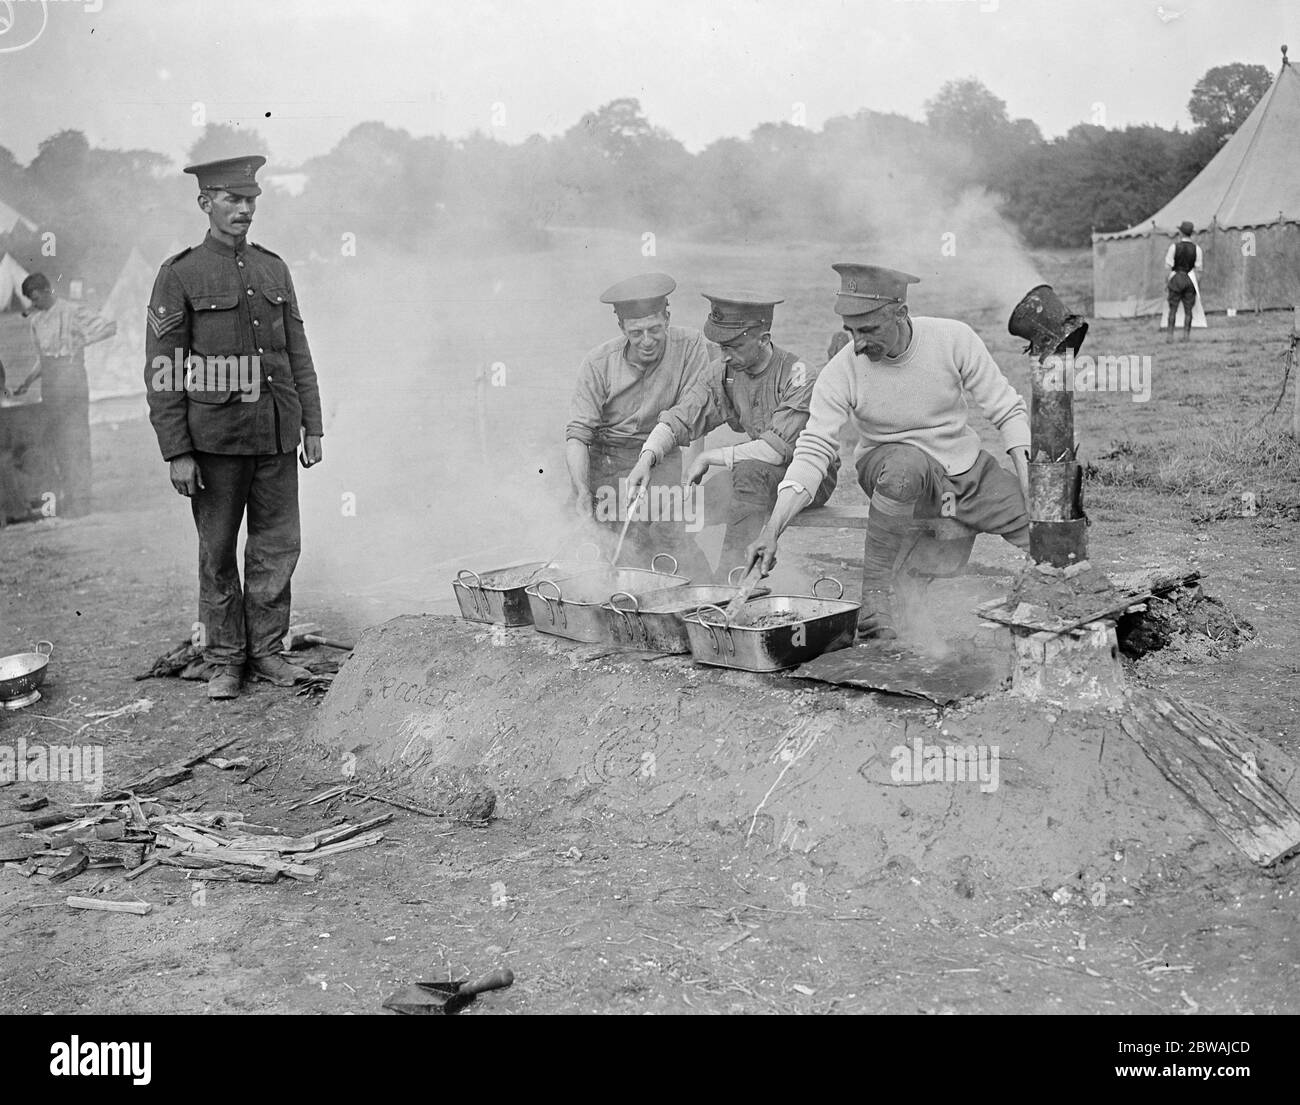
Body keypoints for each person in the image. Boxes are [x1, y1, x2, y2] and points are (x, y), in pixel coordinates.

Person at [744, 263, 1032, 639]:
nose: (858, 343)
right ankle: (875, 605)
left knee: (1042, 528)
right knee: (904, 468)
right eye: (850, 331)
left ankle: (1071, 596)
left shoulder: (953, 338)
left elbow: (1006, 409)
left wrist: (1029, 488)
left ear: (900, 313)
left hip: (962, 469)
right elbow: (812, 453)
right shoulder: (842, 370)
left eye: (868, 330)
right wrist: (772, 530)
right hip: (890, 468)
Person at [144, 155, 324, 700]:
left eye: (250, 200)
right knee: (217, 551)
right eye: (232, 199)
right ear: (205, 203)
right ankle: (225, 659)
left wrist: (311, 424)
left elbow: (297, 352)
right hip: (216, 441)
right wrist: (177, 450)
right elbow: (163, 371)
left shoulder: (274, 268)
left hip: (275, 434)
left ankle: (267, 651)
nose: (244, 209)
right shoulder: (180, 274)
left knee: (277, 547)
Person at [625, 291, 837, 579]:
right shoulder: (724, 372)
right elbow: (682, 416)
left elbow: (777, 451)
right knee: (668, 525)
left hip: (806, 482)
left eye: (733, 346)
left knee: (748, 471)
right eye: (720, 345)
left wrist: (713, 456)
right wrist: (646, 458)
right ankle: (703, 591)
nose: (723, 354)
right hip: (747, 479)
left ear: (763, 340)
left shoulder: (798, 375)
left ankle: (731, 579)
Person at [564, 273, 713, 574]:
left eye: (655, 329)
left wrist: (689, 486)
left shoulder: (691, 346)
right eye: (636, 332)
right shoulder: (598, 363)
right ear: (622, 328)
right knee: (613, 546)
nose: (647, 341)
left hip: (662, 460)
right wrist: (581, 490)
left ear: (667, 317)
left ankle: (700, 602)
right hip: (607, 463)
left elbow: (694, 419)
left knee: (672, 540)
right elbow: (578, 436)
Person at [12, 273, 116, 517]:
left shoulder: (72, 311)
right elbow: (42, 359)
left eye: (37, 297)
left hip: (72, 380)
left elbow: (109, 327)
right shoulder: (36, 322)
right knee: (57, 442)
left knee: (76, 440)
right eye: (31, 300)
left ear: (47, 290)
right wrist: (26, 382)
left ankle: (82, 499)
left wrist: (81, 341)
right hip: (50, 384)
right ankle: (68, 497)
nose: (34, 304)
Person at [1164, 220, 1203, 343]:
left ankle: (1170, 336)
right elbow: (1199, 270)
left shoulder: (1174, 247)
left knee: (1173, 309)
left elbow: (1168, 267)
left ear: (1180, 233)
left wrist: (1167, 283)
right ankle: (1186, 335)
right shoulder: (1197, 249)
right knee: (1188, 310)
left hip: (1176, 278)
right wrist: (1197, 285)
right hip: (1189, 279)